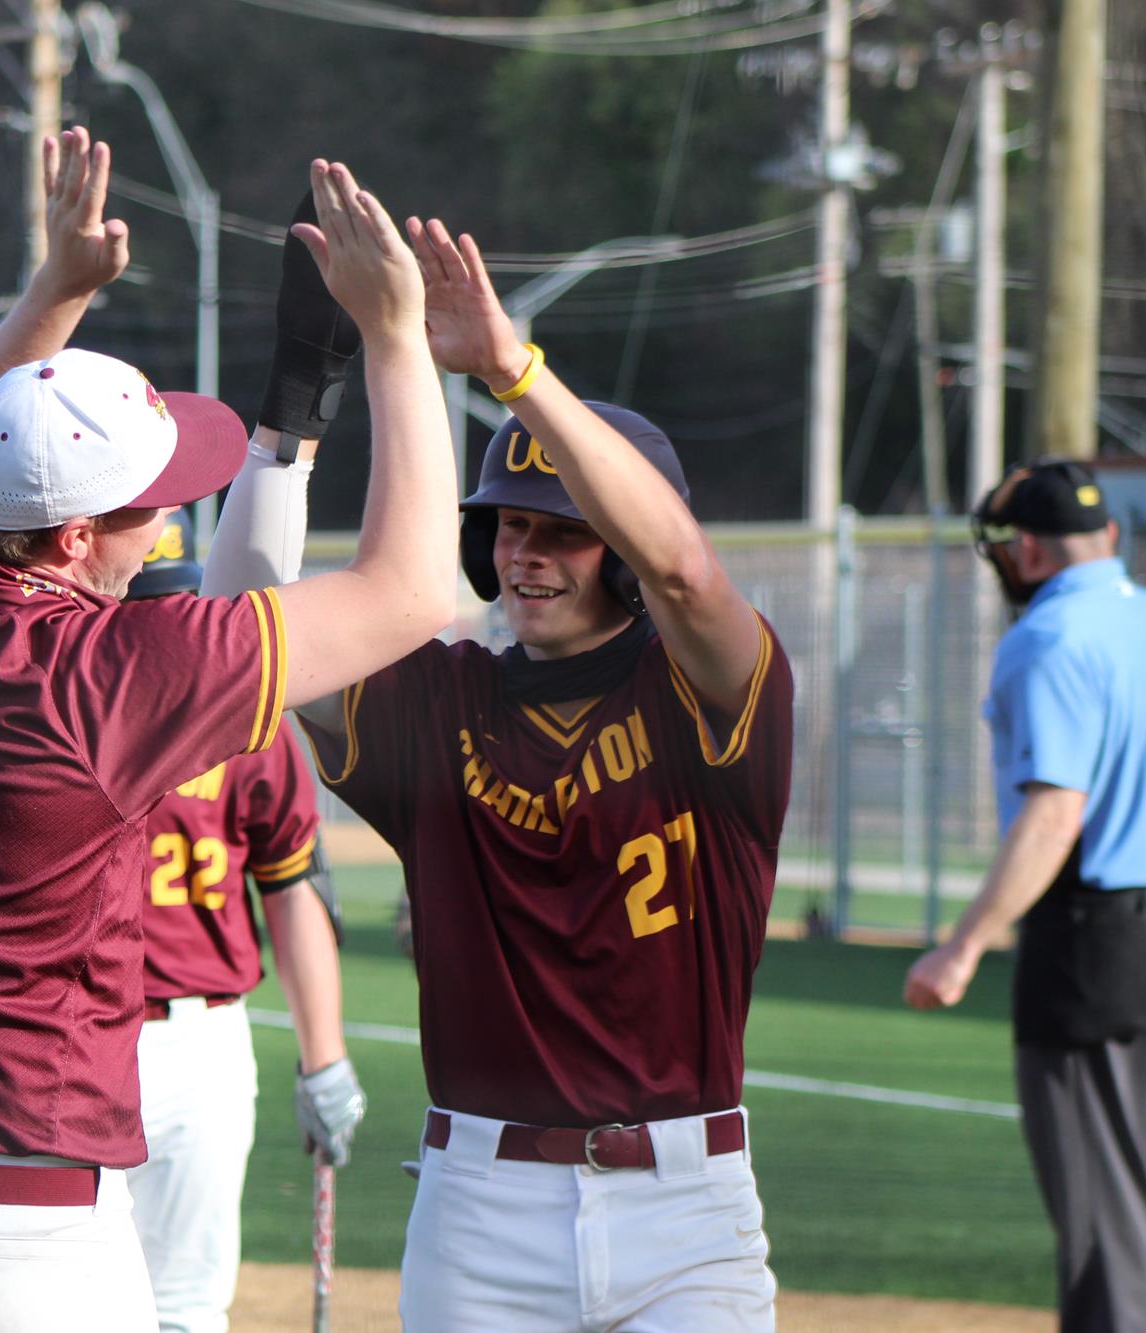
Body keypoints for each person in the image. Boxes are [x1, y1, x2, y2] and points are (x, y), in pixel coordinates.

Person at [0, 130, 455, 1332]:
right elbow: (411, 592)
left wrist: (57, 290)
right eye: (156, 502)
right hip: (15, 1230)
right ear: (75, 537)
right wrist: (395, 338)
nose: (172, 519)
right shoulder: (100, 674)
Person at [203, 215, 793, 1329]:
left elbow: (680, 565)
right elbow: (246, 630)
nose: (523, 552)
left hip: (688, 1209)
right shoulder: (439, 698)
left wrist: (510, 371)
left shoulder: (714, 693)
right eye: (507, 526)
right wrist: (293, 409)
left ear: (616, 551)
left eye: (561, 532)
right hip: (479, 1205)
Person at [904, 459, 1146, 1332]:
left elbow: (1054, 813)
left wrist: (963, 943)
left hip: (1094, 951)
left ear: (1032, 552)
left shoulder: (1048, 639)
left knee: (1104, 1230)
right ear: (1110, 538)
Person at [124, 508, 362, 1333]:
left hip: (201, 1043)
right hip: (70, 1031)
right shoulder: (59, 701)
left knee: (187, 1308)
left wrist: (323, 1058)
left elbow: (293, 885)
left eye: (174, 604)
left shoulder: (244, 719)